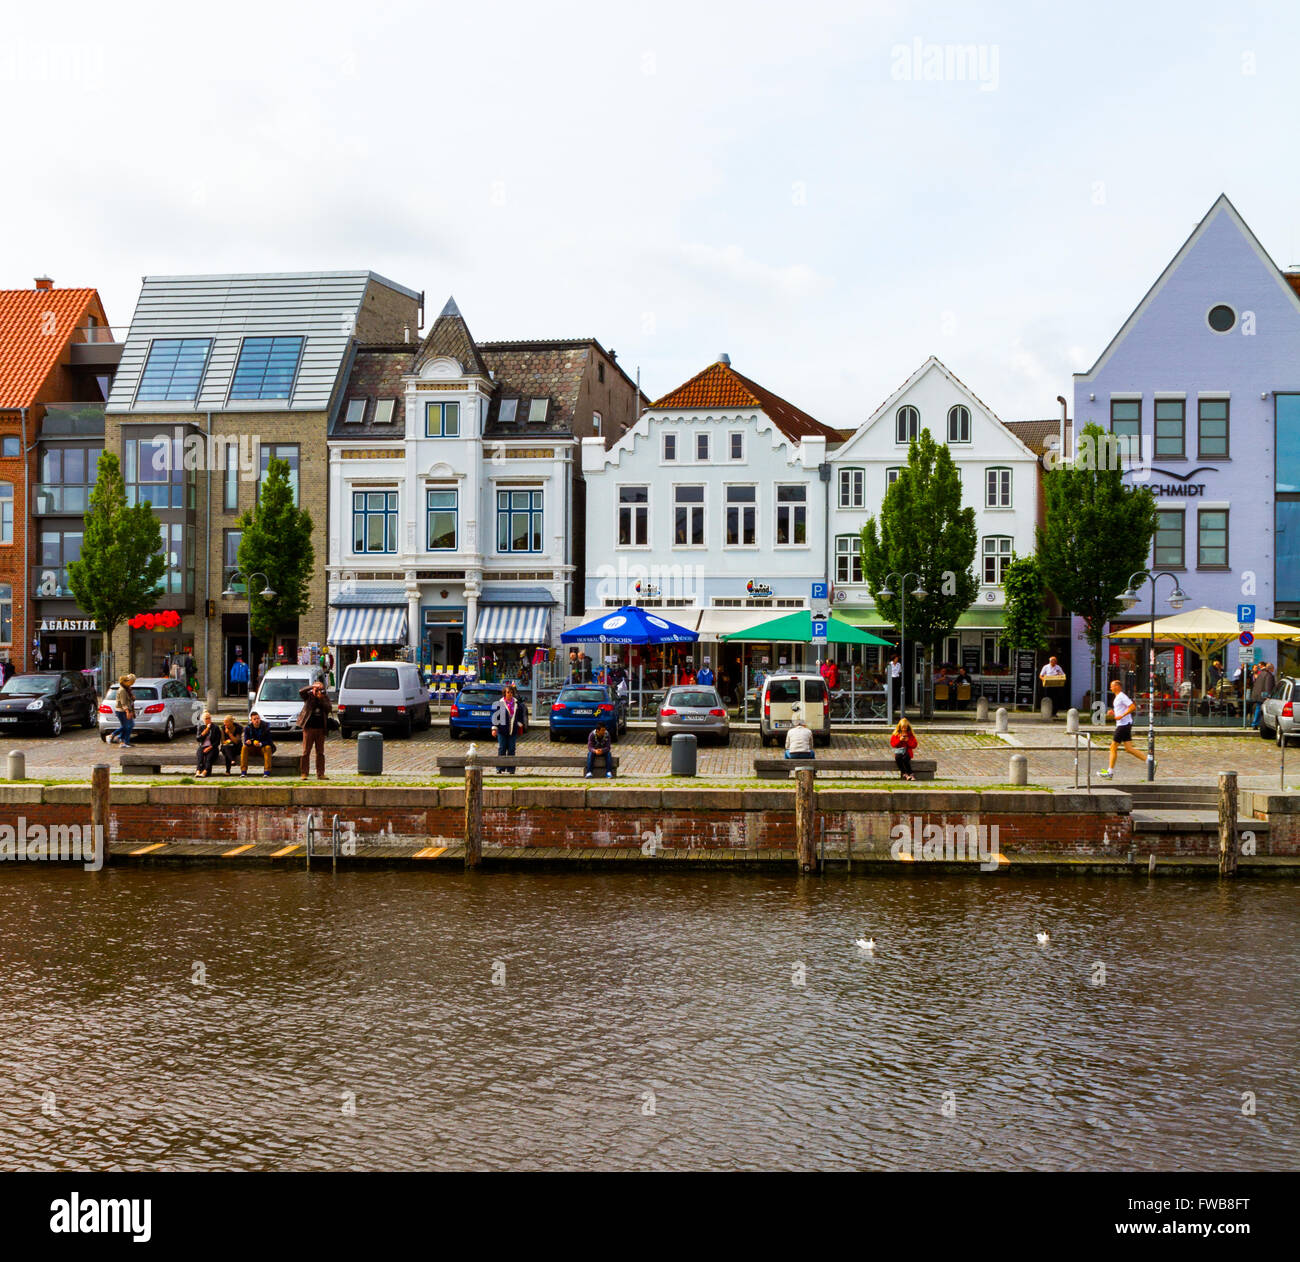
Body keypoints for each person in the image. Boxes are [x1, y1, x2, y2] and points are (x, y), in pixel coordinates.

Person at [1098, 679, 1144, 778]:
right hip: (1124, 724)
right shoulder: (1117, 697)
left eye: (1112, 686)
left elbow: (1132, 707)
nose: (1110, 688)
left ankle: (1110, 772)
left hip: (1123, 724)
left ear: (1117, 687)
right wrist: (1114, 713)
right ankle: (1150, 761)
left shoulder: (1122, 696)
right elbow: (1121, 710)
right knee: (1129, 748)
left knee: (1113, 747)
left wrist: (1122, 716)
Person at [298, 680, 331, 780]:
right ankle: (304, 773)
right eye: (317, 689)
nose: (319, 690)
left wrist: (321, 699)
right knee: (306, 752)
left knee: (320, 752)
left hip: (320, 728)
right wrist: (312, 687)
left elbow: (329, 708)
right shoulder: (308, 696)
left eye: (321, 688)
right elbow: (301, 692)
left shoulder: (324, 697)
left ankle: (320, 773)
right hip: (309, 728)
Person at [491, 682, 526, 775]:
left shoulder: (517, 704)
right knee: (502, 748)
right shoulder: (499, 704)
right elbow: (495, 717)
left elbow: (521, 716)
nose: (509, 694)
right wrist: (494, 728)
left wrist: (519, 724)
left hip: (512, 730)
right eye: (507, 692)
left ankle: (511, 769)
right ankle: (500, 768)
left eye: (511, 692)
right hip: (502, 730)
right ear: (504, 694)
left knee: (511, 749)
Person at [241, 711, 277, 776]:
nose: (257, 720)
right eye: (254, 719)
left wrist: (260, 744)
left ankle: (267, 772)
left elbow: (269, 741)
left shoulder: (266, 727)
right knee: (244, 748)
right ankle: (243, 771)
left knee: (268, 747)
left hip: (262, 748)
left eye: (258, 718)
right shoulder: (248, 728)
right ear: (251, 720)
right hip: (252, 748)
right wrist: (248, 742)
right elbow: (245, 740)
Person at [108, 674, 136, 746]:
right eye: (132, 682)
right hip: (122, 711)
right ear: (126, 681)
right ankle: (120, 739)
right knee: (127, 726)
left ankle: (122, 740)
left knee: (129, 725)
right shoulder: (122, 690)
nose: (132, 683)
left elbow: (129, 701)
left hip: (126, 710)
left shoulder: (127, 689)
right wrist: (127, 711)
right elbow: (123, 703)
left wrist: (132, 698)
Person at [890, 716, 918, 780]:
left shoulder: (910, 734)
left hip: (907, 752)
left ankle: (911, 774)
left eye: (905, 728)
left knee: (905, 759)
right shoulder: (896, 734)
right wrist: (899, 740)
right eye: (902, 727)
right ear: (900, 727)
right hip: (899, 751)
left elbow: (914, 745)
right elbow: (893, 744)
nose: (904, 729)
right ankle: (904, 774)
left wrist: (907, 741)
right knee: (898, 758)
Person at [1252, 661, 1276, 729]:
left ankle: (1255, 723)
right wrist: (1268, 696)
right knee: (1260, 709)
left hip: (1258, 694)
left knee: (1258, 709)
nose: (1273, 670)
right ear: (1270, 668)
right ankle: (1256, 723)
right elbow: (1268, 686)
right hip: (1263, 695)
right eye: (1273, 668)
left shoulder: (1261, 673)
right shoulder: (1269, 675)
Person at [195, 711, 218, 776]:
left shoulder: (215, 728)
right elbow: (198, 739)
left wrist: (209, 747)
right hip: (202, 746)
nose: (208, 720)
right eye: (206, 718)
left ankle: (205, 771)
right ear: (203, 720)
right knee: (200, 756)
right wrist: (206, 730)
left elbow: (217, 742)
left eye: (209, 718)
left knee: (209, 758)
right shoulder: (201, 727)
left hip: (212, 747)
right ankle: (198, 771)